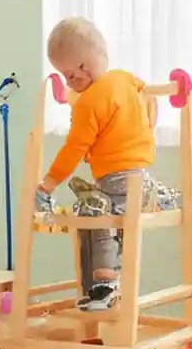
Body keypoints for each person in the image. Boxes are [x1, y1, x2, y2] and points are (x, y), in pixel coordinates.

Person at [34, 17, 164, 312]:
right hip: (141, 178)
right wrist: (147, 128)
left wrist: (50, 182)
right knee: (93, 208)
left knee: (92, 216)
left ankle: (104, 285)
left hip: (118, 183)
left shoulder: (90, 101)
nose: (69, 82)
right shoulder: (126, 80)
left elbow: (74, 147)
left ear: (84, 68)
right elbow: (148, 99)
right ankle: (98, 288)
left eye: (69, 75)